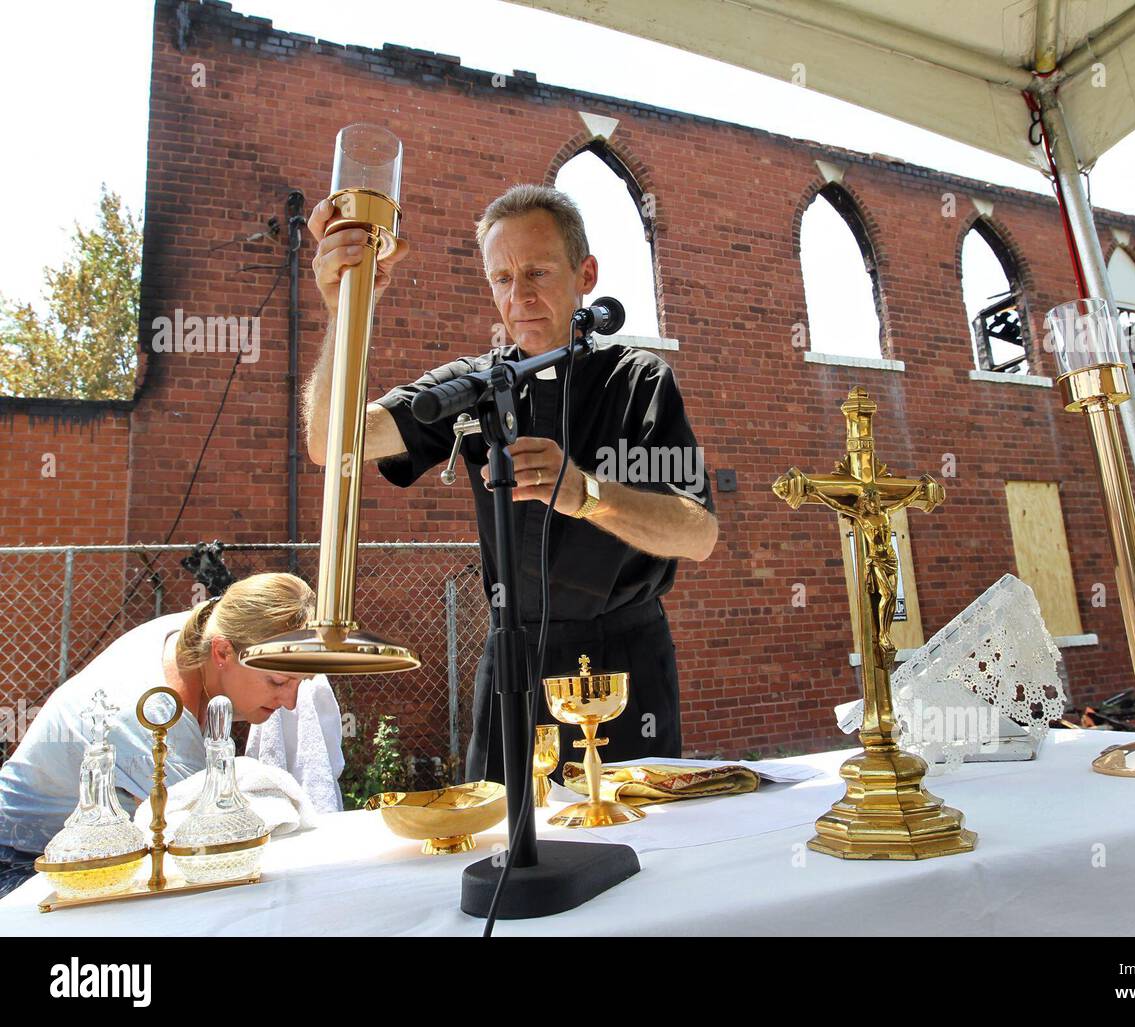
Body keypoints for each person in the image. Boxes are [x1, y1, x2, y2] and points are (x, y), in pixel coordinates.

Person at [304, 183, 718, 784]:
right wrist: (346, 311)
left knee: (637, 849)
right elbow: (332, 444)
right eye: (501, 279)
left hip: (623, 664)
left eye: (538, 272)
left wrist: (586, 494)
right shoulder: (473, 387)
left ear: (586, 274)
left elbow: (698, 533)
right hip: (514, 663)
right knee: (502, 846)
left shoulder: (637, 382)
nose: (519, 297)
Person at [0, 572, 336, 897]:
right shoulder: (152, 716)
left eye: (300, 684)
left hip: (89, 855)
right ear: (222, 653)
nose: (291, 703)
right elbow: (203, 845)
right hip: (23, 863)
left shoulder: (204, 628)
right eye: (278, 682)